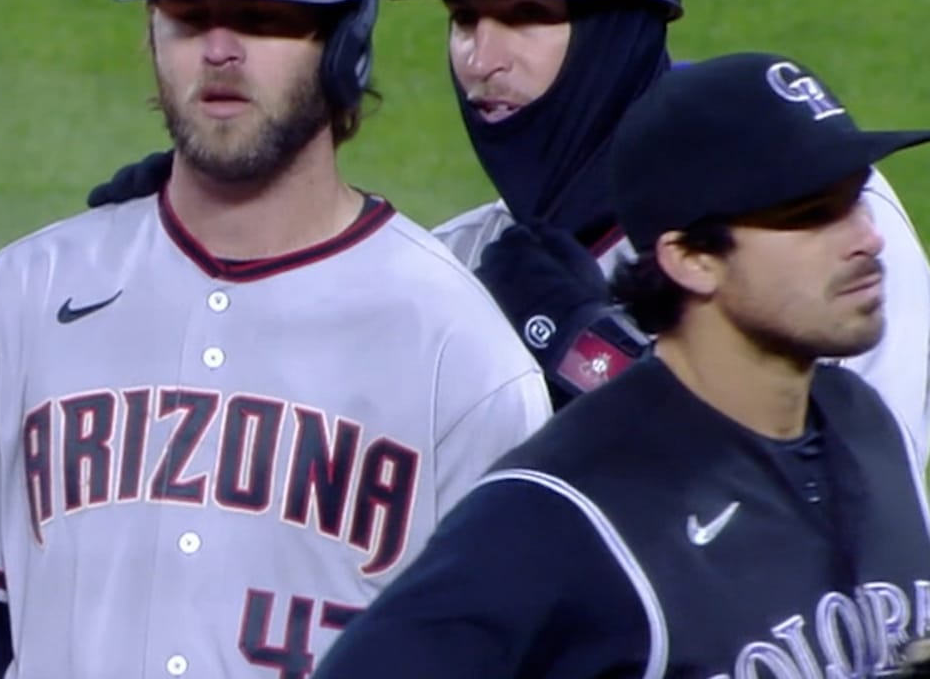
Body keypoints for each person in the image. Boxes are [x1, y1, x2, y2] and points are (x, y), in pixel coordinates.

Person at [0, 0, 551, 679]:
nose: (220, 49)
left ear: (343, 44)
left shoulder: (455, 345)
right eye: (189, 17)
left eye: (264, 19)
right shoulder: (21, 298)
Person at [86, 0, 930, 459]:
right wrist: (209, 245)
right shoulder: (462, 263)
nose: (482, 60)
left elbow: (847, 509)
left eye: (527, 16)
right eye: (463, 20)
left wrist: (592, 358)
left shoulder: (809, 211)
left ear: (618, 32)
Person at [311, 52, 930, 679]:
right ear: (691, 259)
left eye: (854, 200)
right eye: (809, 216)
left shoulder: (862, 421)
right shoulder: (560, 511)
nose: (867, 237)